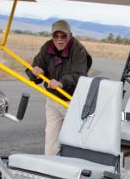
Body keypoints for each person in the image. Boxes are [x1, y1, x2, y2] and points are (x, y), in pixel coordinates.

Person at [30, 19, 92, 155]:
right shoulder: (47, 47)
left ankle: (75, 171)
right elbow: (34, 67)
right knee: (51, 140)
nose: (59, 40)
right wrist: (36, 72)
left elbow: (79, 75)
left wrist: (61, 82)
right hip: (52, 99)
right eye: (55, 36)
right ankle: (50, 170)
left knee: (75, 140)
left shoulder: (78, 50)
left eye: (63, 36)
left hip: (72, 101)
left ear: (70, 36)